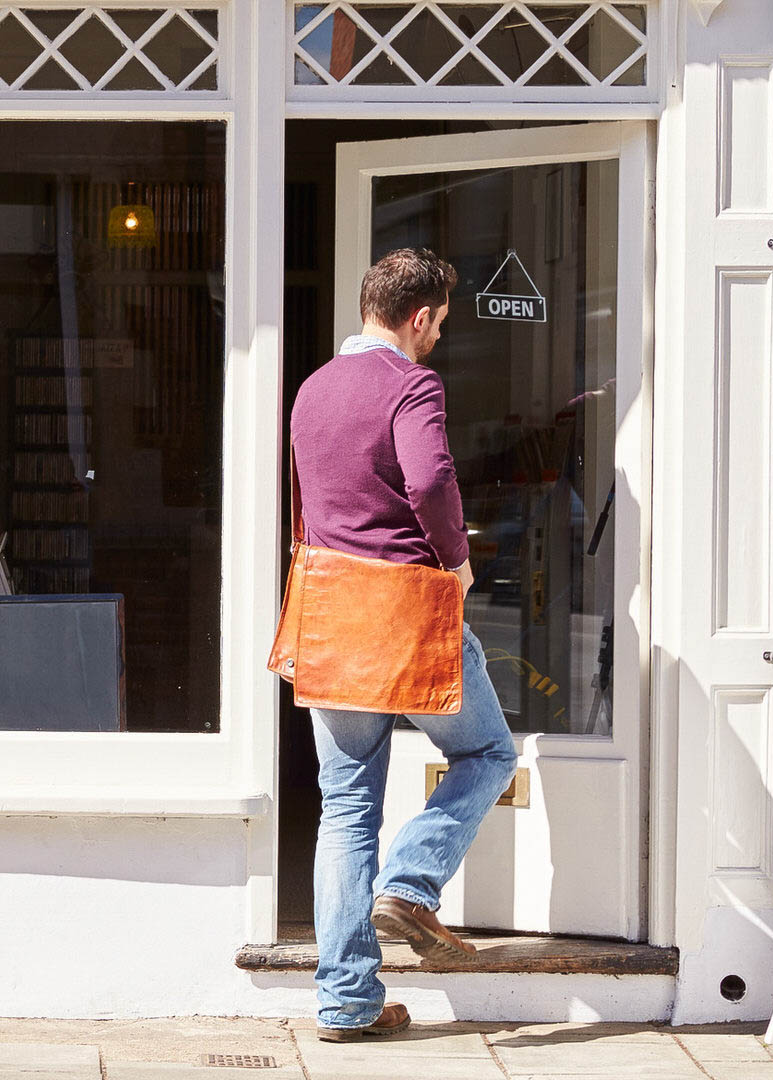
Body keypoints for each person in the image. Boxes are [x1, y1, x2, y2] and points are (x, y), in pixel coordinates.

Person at [288, 247, 519, 1042]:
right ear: (418, 318)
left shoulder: (313, 388)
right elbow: (428, 481)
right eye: (440, 325)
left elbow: (312, 506)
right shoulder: (411, 384)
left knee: (346, 807)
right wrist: (456, 563)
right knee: (488, 753)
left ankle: (346, 1002)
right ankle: (412, 885)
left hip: (331, 614)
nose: (438, 339)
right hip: (408, 612)